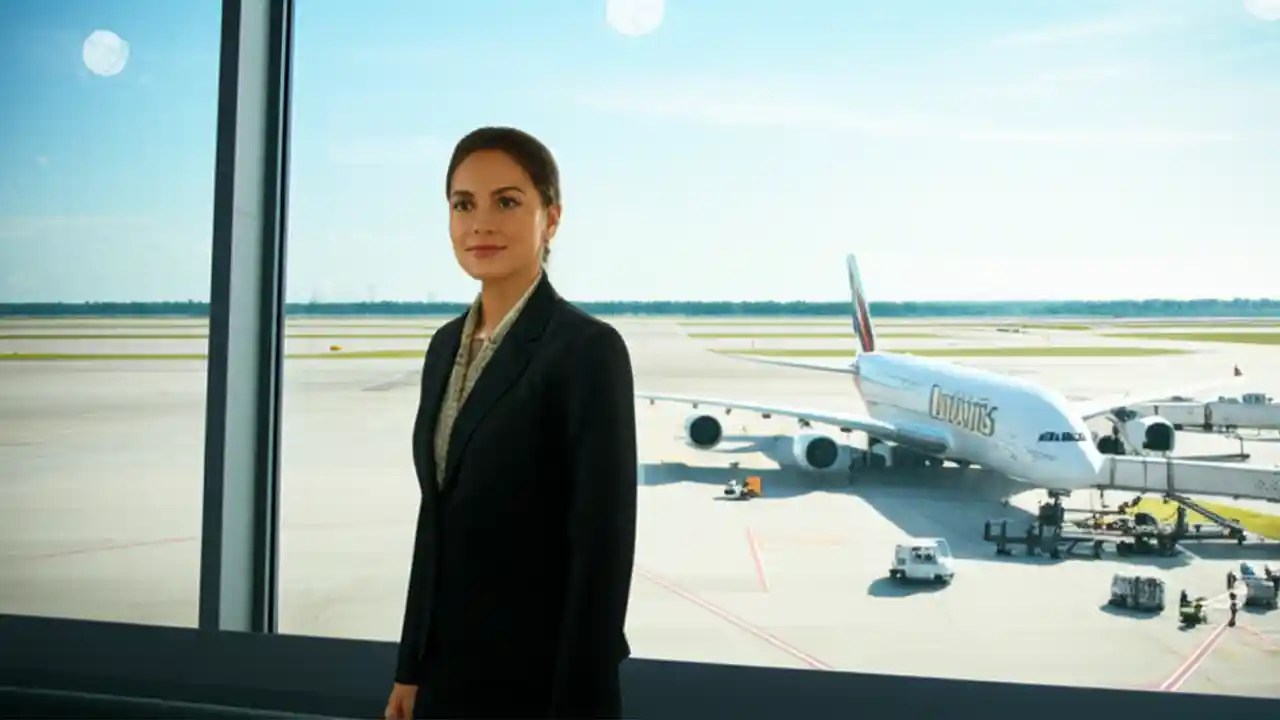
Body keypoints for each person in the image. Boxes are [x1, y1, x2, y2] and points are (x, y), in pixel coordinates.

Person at [383, 126, 638, 719]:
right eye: (463, 204)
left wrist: (578, 702)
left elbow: (601, 551)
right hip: (446, 680)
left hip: (540, 685)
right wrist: (409, 667)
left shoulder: (586, 350)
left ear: (551, 218)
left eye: (507, 201)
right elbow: (436, 521)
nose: (481, 224)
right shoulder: (445, 347)